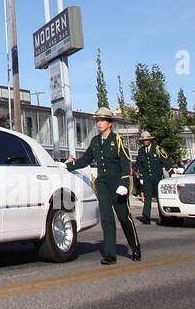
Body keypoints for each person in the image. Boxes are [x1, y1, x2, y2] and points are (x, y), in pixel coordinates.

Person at [66, 106, 140, 264]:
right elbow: (85, 160)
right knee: (106, 218)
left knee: (124, 217)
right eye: (98, 120)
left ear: (110, 123)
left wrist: (124, 183)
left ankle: (135, 246)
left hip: (117, 183)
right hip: (102, 183)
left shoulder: (117, 140)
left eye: (102, 120)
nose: (99, 123)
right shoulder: (95, 141)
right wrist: (68, 166)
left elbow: (126, 163)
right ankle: (110, 254)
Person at [134, 129, 171, 224]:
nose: (144, 141)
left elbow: (166, 161)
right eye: (143, 140)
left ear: (150, 140)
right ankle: (146, 217)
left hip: (157, 177)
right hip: (147, 177)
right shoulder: (141, 151)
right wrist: (141, 174)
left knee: (159, 197)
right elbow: (139, 164)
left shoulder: (157, 149)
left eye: (146, 140)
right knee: (147, 197)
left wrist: (169, 173)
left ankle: (163, 217)